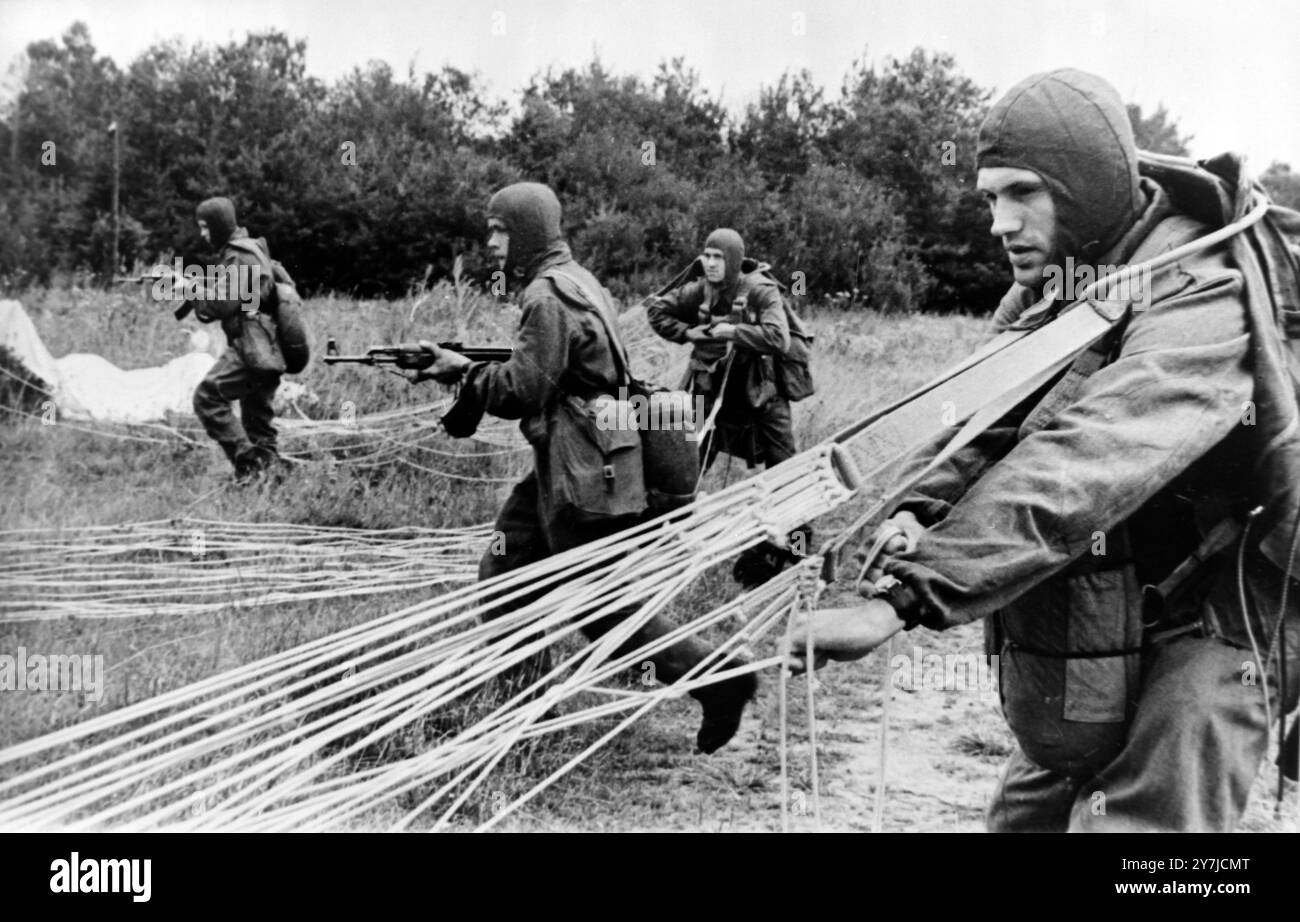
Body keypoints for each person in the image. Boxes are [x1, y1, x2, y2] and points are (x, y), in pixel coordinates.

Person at [788, 69, 1300, 831]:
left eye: (1022, 192)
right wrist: (922, 509)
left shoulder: (1201, 284)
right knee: (1030, 816)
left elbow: (1090, 453)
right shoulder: (1057, 280)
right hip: (1111, 603)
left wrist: (909, 597)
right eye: (990, 197)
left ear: (1086, 185)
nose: (999, 222)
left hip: (1223, 613)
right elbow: (989, 416)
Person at [413, 182, 755, 754]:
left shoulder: (546, 295)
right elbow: (554, 368)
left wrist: (459, 373)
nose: (491, 242)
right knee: (506, 575)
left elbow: (524, 388)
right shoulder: (577, 278)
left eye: (501, 229)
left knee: (602, 613)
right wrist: (475, 364)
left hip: (584, 470)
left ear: (528, 231)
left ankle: (719, 677)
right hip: (582, 459)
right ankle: (518, 718)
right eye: (490, 229)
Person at [646, 229, 810, 586]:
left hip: (761, 395)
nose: (710, 263)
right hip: (712, 391)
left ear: (734, 259)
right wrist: (690, 334)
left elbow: (778, 338)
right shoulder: (700, 289)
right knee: (685, 464)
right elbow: (657, 310)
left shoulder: (761, 289)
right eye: (706, 255)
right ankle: (663, 542)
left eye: (719, 257)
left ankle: (797, 555)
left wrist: (730, 333)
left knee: (785, 472)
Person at [186, 196, 284, 482]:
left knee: (207, 397)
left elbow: (221, 305)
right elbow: (240, 292)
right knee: (257, 417)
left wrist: (189, 291)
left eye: (206, 227)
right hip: (268, 346)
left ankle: (249, 465)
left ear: (219, 225)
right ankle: (271, 478)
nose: (203, 234)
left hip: (251, 345)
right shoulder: (250, 249)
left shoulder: (239, 254)